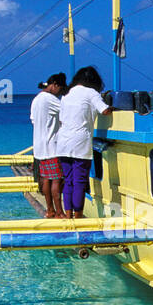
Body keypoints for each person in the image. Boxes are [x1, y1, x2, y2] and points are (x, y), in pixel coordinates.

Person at [56, 66, 117, 218]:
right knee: (80, 182)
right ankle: (78, 216)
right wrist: (115, 107)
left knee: (68, 181)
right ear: (93, 81)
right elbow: (104, 110)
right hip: (80, 143)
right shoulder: (91, 93)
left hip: (63, 142)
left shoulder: (67, 94)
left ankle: (68, 215)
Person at [30, 73, 67, 218]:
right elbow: (67, 111)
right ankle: (59, 212)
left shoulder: (36, 99)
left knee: (46, 179)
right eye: (61, 89)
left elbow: (33, 120)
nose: (60, 93)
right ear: (55, 85)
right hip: (52, 146)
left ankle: (49, 210)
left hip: (39, 148)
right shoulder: (50, 99)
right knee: (57, 180)